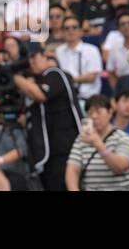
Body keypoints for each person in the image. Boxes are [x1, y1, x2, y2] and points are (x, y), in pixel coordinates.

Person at [14, 41, 82, 190]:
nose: (31, 62)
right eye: (27, 59)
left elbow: (41, 94)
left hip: (66, 149)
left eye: (34, 57)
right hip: (46, 153)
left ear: (45, 56)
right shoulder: (32, 83)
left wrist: (15, 77)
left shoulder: (55, 73)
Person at [65, 95, 129, 191]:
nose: (94, 116)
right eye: (90, 113)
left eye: (98, 112)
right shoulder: (82, 139)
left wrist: (98, 144)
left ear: (110, 113)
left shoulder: (123, 138)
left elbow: (120, 167)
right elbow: (72, 169)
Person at [54, 15, 102, 101]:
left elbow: (91, 78)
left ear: (81, 31)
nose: (70, 31)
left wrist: (68, 79)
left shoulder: (92, 50)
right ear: (62, 32)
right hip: (66, 98)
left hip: (89, 98)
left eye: (74, 27)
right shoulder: (58, 51)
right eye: (67, 28)